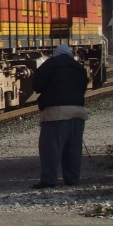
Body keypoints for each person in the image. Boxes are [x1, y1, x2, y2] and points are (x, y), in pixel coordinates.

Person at [31, 44, 89, 188]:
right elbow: (84, 86)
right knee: (74, 150)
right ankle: (72, 180)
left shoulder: (49, 64)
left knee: (51, 148)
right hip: (78, 113)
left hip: (55, 114)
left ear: (56, 54)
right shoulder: (78, 67)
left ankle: (49, 180)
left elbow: (37, 86)